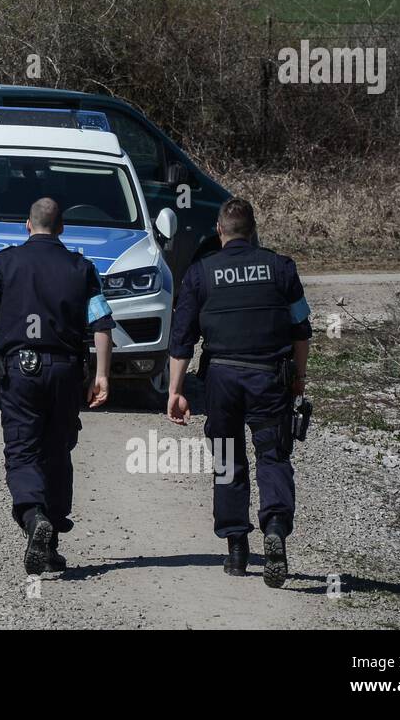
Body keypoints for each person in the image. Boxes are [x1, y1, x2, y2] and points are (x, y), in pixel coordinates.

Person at [166, 198, 312, 588]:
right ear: (254, 230)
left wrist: (175, 391)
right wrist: (299, 377)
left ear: (219, 231)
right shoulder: (282, 268)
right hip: (270, 378)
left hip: (223, 380)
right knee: (273, 457)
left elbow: (182, 340)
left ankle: (236, 551)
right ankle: (276, 528)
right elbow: (302, 329)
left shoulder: (200, 273)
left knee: (229, 461)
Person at [0, 197, 115, 575]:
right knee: (57, 451)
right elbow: (102, 325)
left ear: (26, 225)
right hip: (66, 372)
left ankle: (35, 518)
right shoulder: (83, 268)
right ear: (62, 227)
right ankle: (50, 547)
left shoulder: (3, 263)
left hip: (20, 371)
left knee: (22, 449)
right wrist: (102, 375)